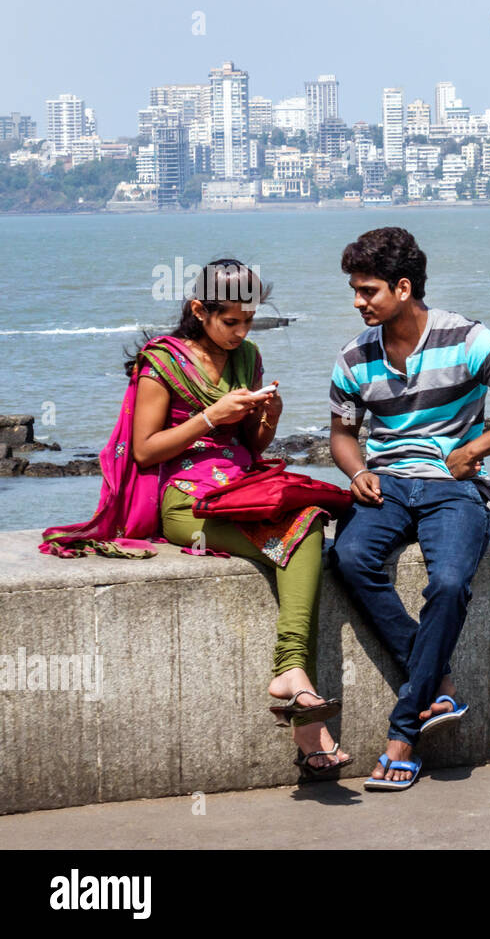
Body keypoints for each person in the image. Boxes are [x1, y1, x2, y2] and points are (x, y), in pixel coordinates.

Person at [44, 259, 350, 781]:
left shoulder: (248, 357)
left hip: (240, 488)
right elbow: (143, 451)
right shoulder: (160, 363)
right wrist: (210, 417)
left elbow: (250, 447)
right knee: (298, 539)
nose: (242, 332)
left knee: (307, 524)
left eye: (249, 320)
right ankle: (300, 705)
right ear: (198, 311)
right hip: (185, 503)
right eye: (230, 321)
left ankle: (294, 682)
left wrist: (265, 419)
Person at [327, 227, 490, 791]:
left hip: (452, 489)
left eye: (368, 291)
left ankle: (403, 733)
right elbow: (341, 435)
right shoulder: (355, 356)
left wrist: (474, 450)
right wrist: (357, 472)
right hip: (385, 486)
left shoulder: (467, 337)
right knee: (350, 559)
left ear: (403, 288)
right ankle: (435, 681)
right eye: (355, 290)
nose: (358, 301)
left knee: (451, 582)